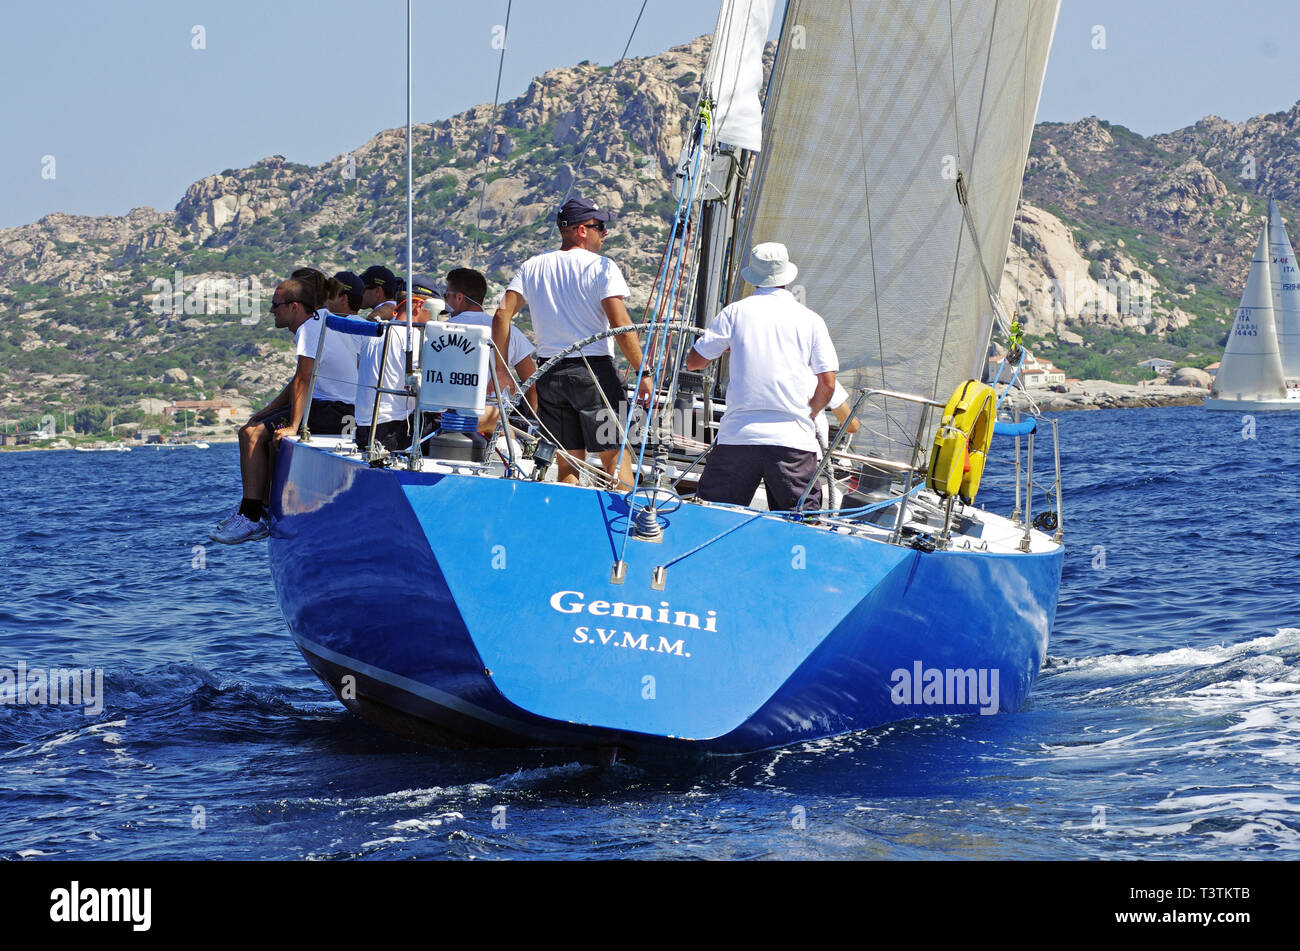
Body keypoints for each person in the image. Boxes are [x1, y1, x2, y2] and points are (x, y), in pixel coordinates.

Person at [492, 195, 653, 489]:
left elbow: (502, 314)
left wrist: (502, 370)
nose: (604, 233)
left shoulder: (533, 266)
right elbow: (620, 324)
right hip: (594, 374)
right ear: (581, 230)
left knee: (567, 460)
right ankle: (620, 531)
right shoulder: (602, 267)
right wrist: (644, 371)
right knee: (615, 456)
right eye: (599, 226)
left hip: (549, 375)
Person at [684, 242, 838, 512]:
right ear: (788, 276)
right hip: (794, 440)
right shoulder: (811, 320)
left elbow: (694, 362)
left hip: (738, 438)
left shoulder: (734, 312)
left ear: (753, 276)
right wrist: (808, 413)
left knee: (713, 518)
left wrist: (730, 345)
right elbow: (827, 385)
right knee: (801, 528)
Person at [210, 275, 325, 544]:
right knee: (253, 429)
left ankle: (251, 517)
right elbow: (299, 380)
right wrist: (266, 412)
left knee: (250, 435)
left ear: (295, 307)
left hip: (327, 407)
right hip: (328, 404)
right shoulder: (321, 322)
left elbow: (302, 380)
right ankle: (255, 510)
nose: (272, 310)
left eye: (276, 304)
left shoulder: (309, 329)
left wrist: (294, 426)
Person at [441, 266, 538, 434]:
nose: (444, 301)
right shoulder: (510, 332)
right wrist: (534, 420)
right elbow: (531, 383)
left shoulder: (440, 331)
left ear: (459, 297)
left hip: (446, 420)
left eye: (446, 295)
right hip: (494, 423)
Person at [354, 273, 439, 452]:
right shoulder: (414, 338)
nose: (436, 318)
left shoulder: (377, 333)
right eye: (435, 311)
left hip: (364, 430)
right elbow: (432, 394)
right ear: (418, 306)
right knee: (457, 420)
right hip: (393, 433)